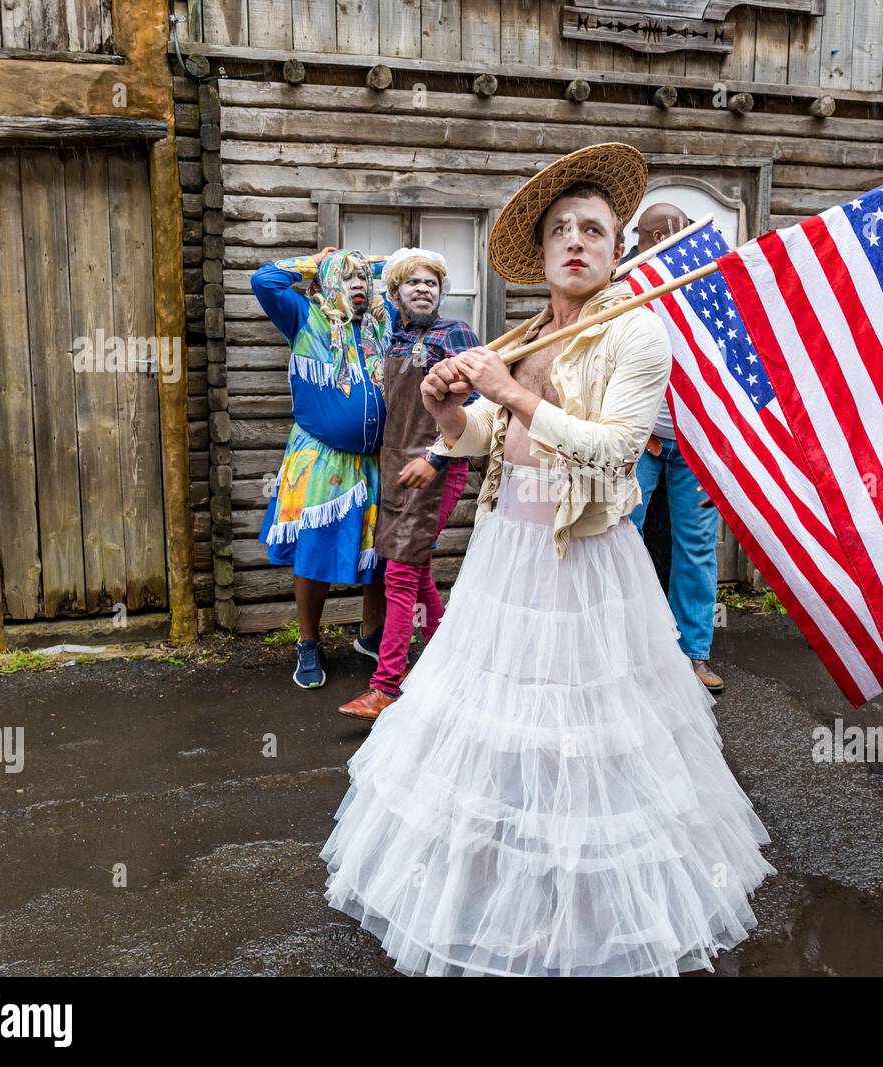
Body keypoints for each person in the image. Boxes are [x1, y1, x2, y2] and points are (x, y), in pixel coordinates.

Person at [319, 143, 775, 977]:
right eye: (561, 228)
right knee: (499, 725)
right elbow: (498, 439)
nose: (575, 240)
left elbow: (615, 450)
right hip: (508, 547)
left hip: (586, 555)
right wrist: (450, 416)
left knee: (588, 733)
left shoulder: (637, 332)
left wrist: (513, 389)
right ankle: (505, 887)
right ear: (542, 251)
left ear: (616, 247)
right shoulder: (531, 329)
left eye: (593, 229)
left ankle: (585, 907)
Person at [338, 248, 479, 719]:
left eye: (432, 283)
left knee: (399, 571)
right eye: (413, 283)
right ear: (395, 292)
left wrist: (435, 458)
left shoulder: (455, 334)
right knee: (413, 571)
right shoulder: (389, 337)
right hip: (394, 466)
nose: (424, 289)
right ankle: (448, 665)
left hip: (436, 467)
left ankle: (387, 686)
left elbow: (476, 410)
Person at [251, 248, 389, 689]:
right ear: (326, 284)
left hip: (375, 459)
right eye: (348, 278)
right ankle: (309, 643)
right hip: (319, 458)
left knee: (378, 552)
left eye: (364, 278)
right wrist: (316, 260)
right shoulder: (304, 318)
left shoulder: (380, 327)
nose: (360, 284)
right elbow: (263, 280)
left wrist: (369, 262)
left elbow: (405, 269)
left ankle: (371, 636)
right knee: (314, 553)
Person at [628, 202, 726, 694]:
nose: (669, 240)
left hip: (695, 442)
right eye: (657, 234)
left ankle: (693, 653)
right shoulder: (624, 287)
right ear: (640, 240)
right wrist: (635, 425)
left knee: (696, 546)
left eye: (677, 232)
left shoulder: (710, 286)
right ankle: (626, 648)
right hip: (637, 437)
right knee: (621, 539)